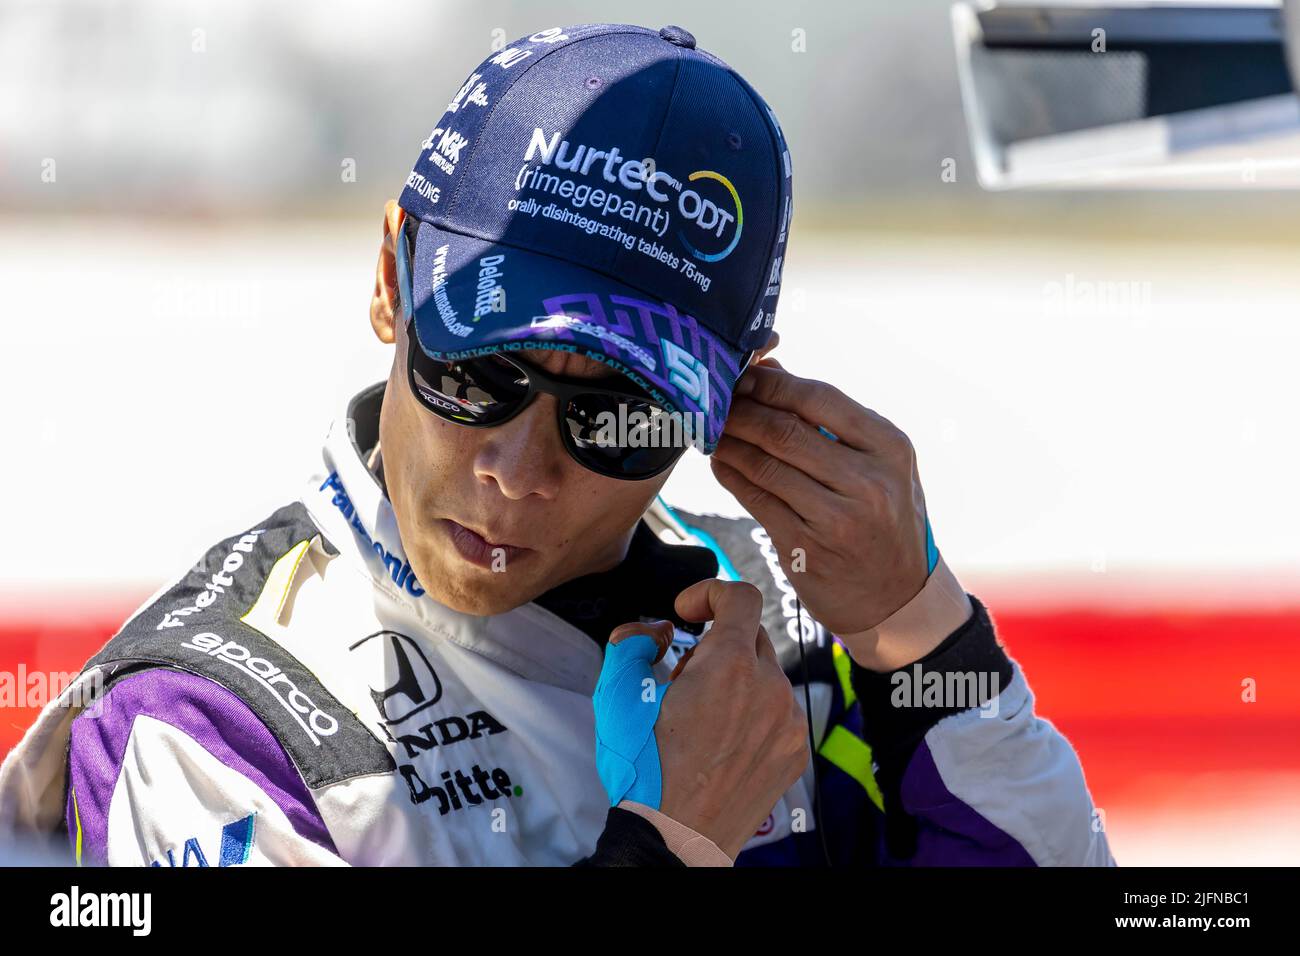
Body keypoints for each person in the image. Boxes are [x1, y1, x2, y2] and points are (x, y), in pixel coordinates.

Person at [0, 23, 1112, 867]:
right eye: (477, 372)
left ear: (737, 396)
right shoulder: (219, 722)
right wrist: (673, 840)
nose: (517, 473)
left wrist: (920, 641)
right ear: (392, 279)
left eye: (613, 416)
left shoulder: (803, 619)